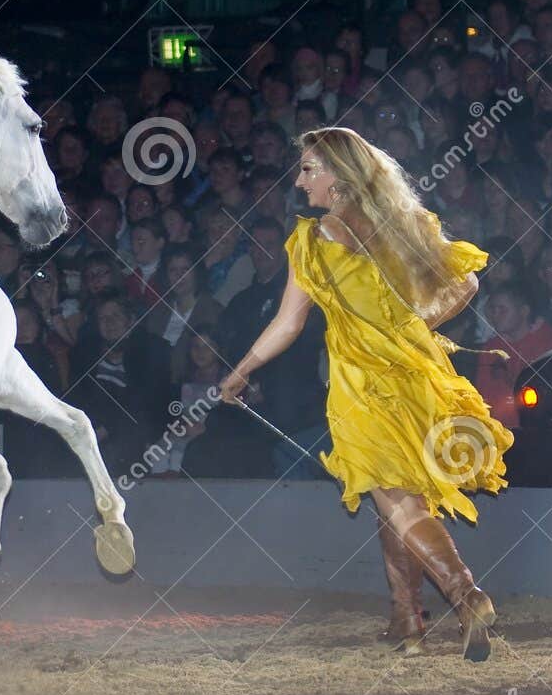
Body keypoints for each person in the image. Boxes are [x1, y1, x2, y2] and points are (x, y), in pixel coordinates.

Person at [220, 127, 513, 661]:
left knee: (398, 503)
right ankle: (407, 621)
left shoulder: (312, 240)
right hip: (418, 378)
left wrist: (241, 370)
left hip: (361, 386)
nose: (300, 179)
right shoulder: (408, 225)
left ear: (339, 179)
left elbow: (288, 323)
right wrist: (419, 323)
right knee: (394, 498)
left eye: (310, 168)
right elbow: (467, 283)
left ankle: (466, 596)